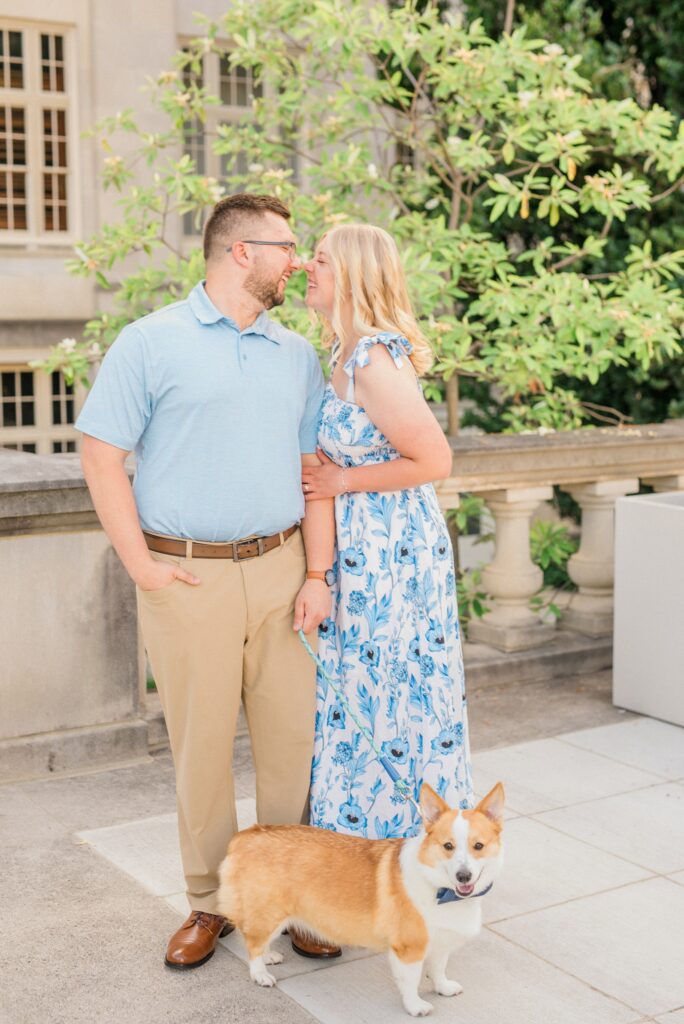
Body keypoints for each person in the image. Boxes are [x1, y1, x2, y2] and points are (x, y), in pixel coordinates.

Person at [76, 193, 340, 968]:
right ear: (239, 252)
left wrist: (316, 570)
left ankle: (292, 895)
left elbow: (311, 471)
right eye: (286, 246)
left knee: (293, 744)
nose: (298, 260)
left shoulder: (296, 354)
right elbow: (100, 457)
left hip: (283, 567)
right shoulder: (149, 342)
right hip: (186, 578)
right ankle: (210, 901)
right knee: (200, 750)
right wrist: (142, 568)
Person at [301, 223, 473, 839]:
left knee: (395, 697)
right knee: (366, 693)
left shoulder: (373, 358)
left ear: (349, 275)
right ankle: (364, 851)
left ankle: (410, 846)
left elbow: (434, 461)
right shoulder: (343, 353)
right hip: (360, 550)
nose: (304, 267)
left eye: (319, 259)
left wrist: (341, 482)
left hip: (392, 554)